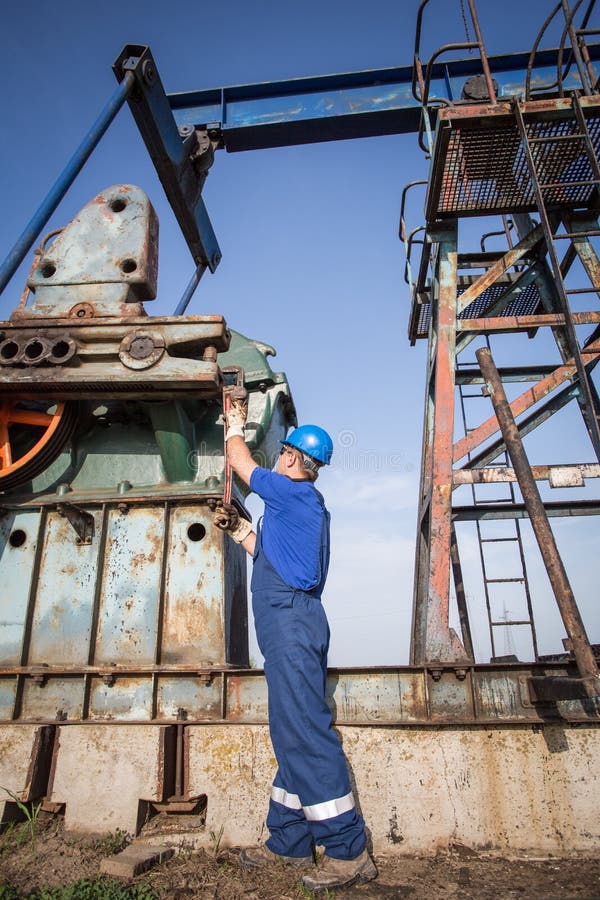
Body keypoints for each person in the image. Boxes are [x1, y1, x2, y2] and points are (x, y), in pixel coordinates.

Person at [212, 393, 377, 892]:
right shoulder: (301, 506)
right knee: (290, 730)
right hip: (293, 620)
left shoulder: (289, 492)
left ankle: (348, 850)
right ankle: (288, 839)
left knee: (304, 731)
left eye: (283, 451)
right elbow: (269, 555)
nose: (279, 457)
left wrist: (234, 423)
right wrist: (240, 529)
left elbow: (239, 462)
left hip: (291, 623)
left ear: (291, 459)